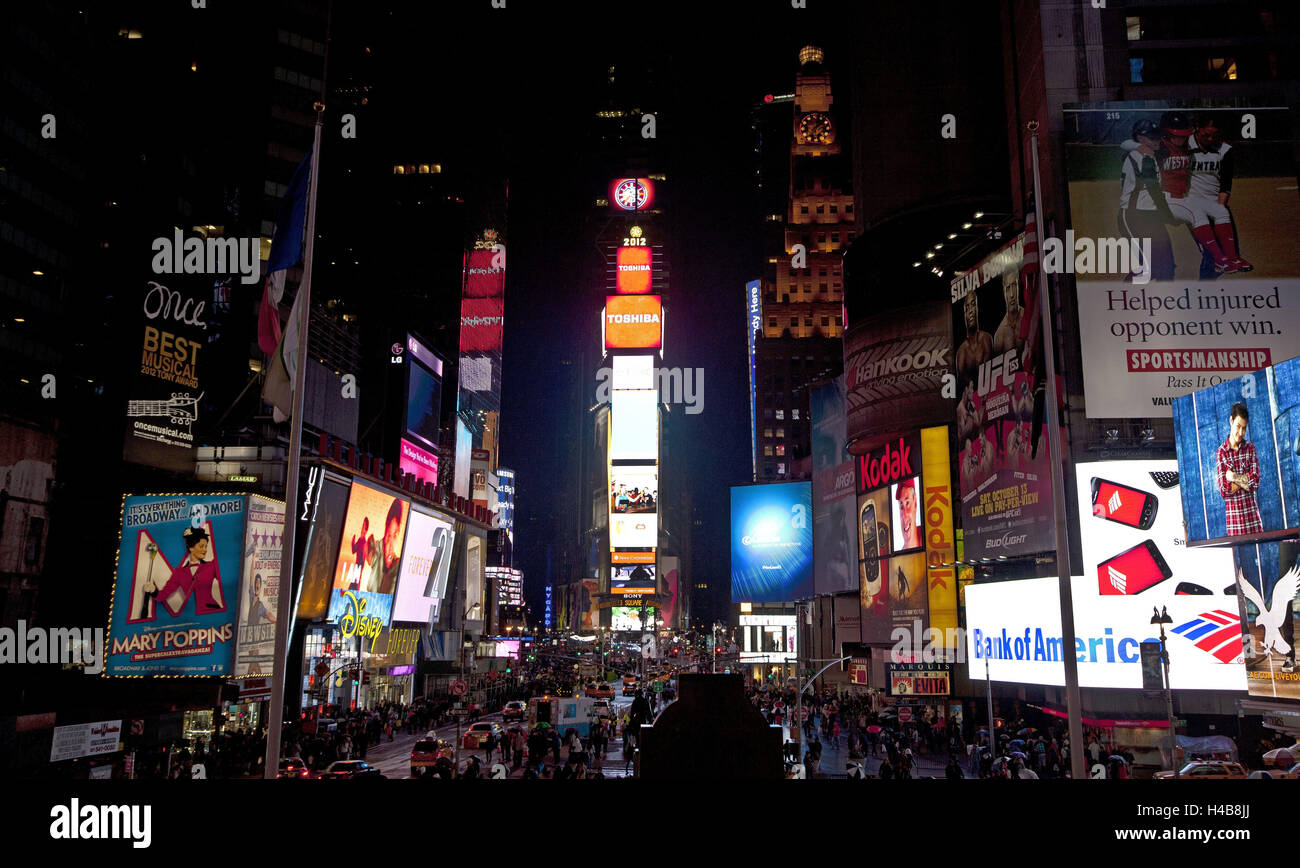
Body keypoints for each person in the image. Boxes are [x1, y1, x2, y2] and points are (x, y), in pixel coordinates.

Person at [1189, 114, 1252, 276]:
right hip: (1193, 207)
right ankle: (1203, 293)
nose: (1210, 140)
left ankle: (1206, 291)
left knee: (1231, 255)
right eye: (1206, 135)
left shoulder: (1224, 150)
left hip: (1216, 203)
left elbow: (1225, 184)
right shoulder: (1184, 144)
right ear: (1197, 128)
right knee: (1211, 255)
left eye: (1215, 136)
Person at [1118, 118, 1178, 281]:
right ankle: (1122, 298)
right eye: (1153, 137)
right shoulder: (1141, 157)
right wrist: (1167, 215)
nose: (1157, 140)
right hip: (1134, 216)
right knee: (1148, 268)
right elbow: (1153, 189)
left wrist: (1138, 145)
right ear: (1141, 138)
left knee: (1166, 268)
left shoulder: (1148, 152)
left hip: (1151, 216)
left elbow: (1125, 142)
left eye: (1158, 136)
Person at [156, 527, 225, 616]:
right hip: (192, 616)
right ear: (191, 548)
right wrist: (153, 591)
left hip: (212, 612)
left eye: (206, 546)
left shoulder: (211, 566)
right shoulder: (179, 572)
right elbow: (162, 596)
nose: (205, 550)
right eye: (201, 546)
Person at [1217, 402, 1262, 536]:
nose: (1241, 432)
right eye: (1238, 426)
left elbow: (1255, 482)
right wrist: (1245, 478)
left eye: (1244, 428)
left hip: (1254, 523)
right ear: (1231, 421)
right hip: (1234, 526)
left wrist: (1233, 477)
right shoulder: (1221, 452)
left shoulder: (1251, 448)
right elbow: (1224, 490)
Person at [377, 499, 405, 595]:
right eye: (388, 536)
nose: (391, 545)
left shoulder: (399, 568)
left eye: (395, 536)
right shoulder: (377, 556)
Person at [895, 478, 922, 551]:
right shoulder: (900, 559)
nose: (905, 515)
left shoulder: (930, 536)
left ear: (915, 503)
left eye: (907, 503)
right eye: (901, 507)